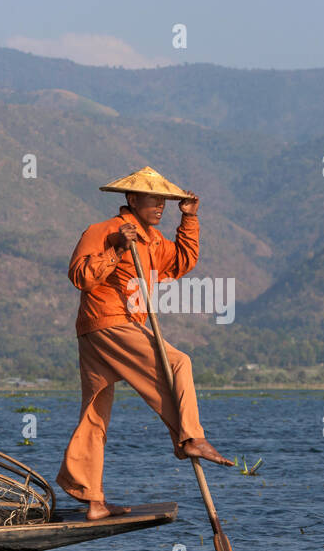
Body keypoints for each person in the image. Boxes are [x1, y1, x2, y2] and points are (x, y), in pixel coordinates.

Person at [57, 166, 234, 521]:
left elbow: (182, 261)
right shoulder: (103, 231)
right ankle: (191, 438)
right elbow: (80, 276)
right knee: (179, 362)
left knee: (95, 414)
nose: (161, 206)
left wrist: (190, 220)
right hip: (109, 322)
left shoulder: (153, 241)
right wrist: (116, 251)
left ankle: (93, 501)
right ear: (132, 199)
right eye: (154, 199)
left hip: (115, 327)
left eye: (164, 200)